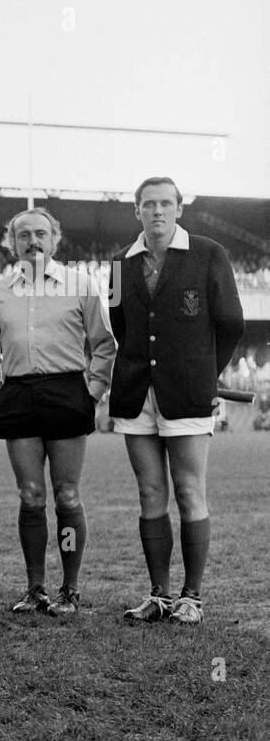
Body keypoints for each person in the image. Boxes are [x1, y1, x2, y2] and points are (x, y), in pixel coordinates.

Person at [110, 176, 244, 625]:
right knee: (150, 494)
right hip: (136, 395)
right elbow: (119, 326)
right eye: (149, 205)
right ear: (137, 211)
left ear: (179, 209)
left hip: (188, 393)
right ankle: (159, 595)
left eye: (166, 203)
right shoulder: (117, 265)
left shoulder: (210, 254)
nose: (158, 212)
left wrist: (203, 372)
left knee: (189, 492)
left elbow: (230, 325)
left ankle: (192, 596)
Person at [0, 207, 116, 617]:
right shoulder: (0, 290)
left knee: (67, 495)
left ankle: (69, 589)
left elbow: (104, 345)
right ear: (13, 242)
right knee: (30, 495)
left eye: (41, 234)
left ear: (55, 240)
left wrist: (91, 395)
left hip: (67, 391)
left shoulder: (81, 284)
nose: (33, 241)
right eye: (24, 235)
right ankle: (35, 587)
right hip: (19, 394)